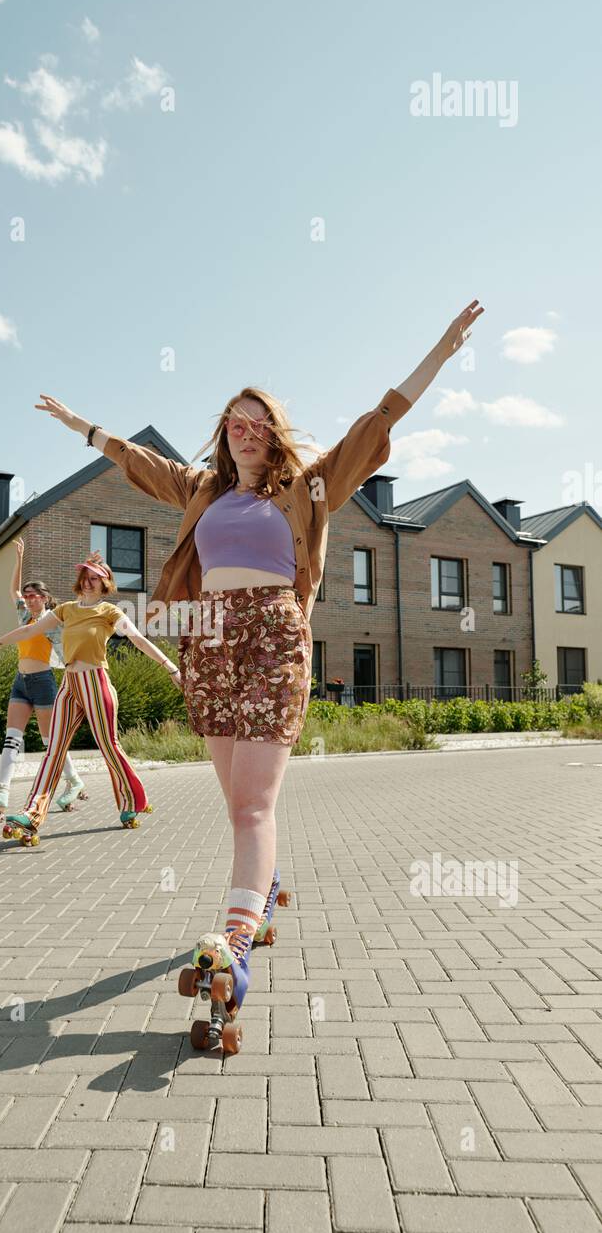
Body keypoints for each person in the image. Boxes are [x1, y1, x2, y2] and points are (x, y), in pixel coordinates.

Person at [33, 300, 485, 1051]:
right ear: (223, 434)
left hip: (275, 632)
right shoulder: (203, 490)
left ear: (272, 432)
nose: (243, 431)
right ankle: (265, 893)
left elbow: (378, 420)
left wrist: (440, 350)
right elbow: (137, 463)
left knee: (251, 806)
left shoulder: (308, 486)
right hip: (208, 638)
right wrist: (80, 425)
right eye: (232, 422)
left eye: (255, 421)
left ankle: (235, 947)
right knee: (235, 799)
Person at [0, 550, 182, 842]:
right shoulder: (66, 610)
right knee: (53, 750)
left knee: (109, 747)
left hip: (95, 682)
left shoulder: (111, 612)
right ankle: (32, 813)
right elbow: (30, 629)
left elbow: (138, 639)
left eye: (95, 579)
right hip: (69, 684)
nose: (88, 582)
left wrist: (171, 668)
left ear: (105, 584)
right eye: (85, 577)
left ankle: (130, 802)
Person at [0, 538, 84, 819]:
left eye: (35, 595)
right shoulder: (24, 617)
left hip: (43, 682)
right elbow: (12, 590)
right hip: (21, 682)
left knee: (49, 740)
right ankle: (2, 791)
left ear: (45, 598)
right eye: (28, 594)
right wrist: (19, 559)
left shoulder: (52, 621)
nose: (30, 598)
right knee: (12, 738)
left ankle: (73, 779)